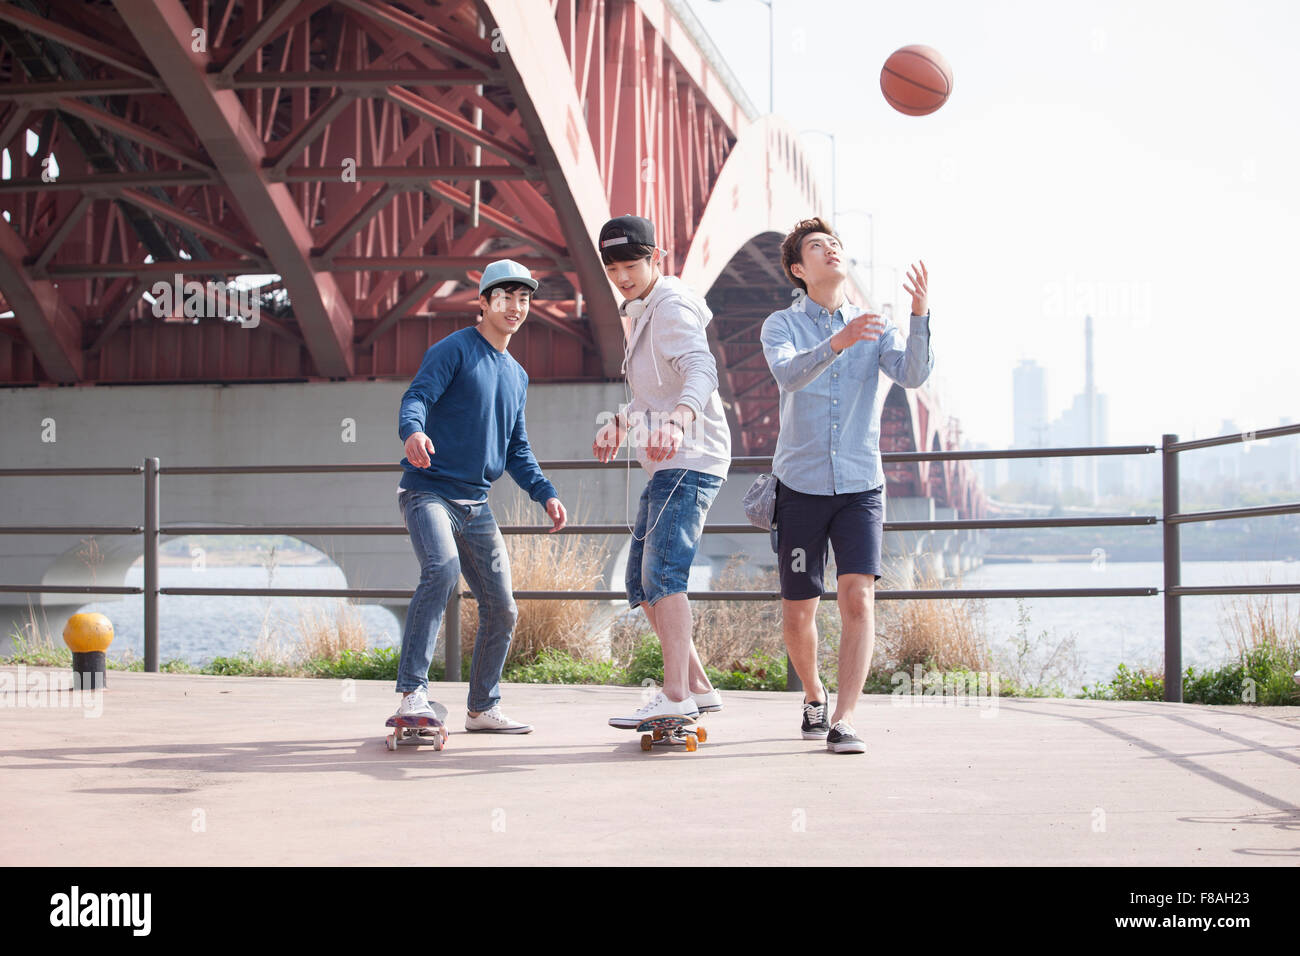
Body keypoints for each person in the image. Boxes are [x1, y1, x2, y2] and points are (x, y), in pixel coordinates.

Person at [760, 217, 934, 754]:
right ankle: (813, 693)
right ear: (798, 269)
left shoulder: (873, 323)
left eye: (834, 243)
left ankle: (844, 717)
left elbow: (913, 375)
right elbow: (788, 376)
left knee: (857, 597)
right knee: (799, 608)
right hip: (800, 485)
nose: (831, 250)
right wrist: (836, 342)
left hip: (861, 483)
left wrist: (919, 316)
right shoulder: (780, 326)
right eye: (817, 246)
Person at [393, 259, 568, 733]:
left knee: (502, 605)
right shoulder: (453, 350)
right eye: (506, 297)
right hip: (428, 492)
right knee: (442, 569)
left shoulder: (517, 375)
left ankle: (481, 707)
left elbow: (516, 448)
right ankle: (413, 693)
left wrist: (544, 493)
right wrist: (413, 432)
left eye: (524, 299)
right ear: (484, 301)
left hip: (476, 504)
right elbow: (418, 398)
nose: (516, 307)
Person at [591, 215, 731, 728]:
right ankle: (699, 687)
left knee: (663, 574)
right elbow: (653, 390)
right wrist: (620, 421)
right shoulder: (642, 310)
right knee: (638, 581)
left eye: (632, 265)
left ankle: (675, 696)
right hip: (667, 463)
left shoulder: (670, 308)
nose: (623, 276)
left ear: (657, 257)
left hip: (690, 459)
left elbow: (702, 370)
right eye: (613, 268)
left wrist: (678, 421)